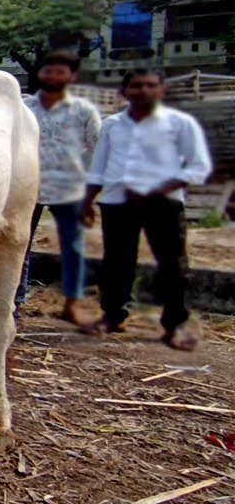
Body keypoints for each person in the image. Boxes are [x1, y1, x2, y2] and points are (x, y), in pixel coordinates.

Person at [80, 68, 212, 351]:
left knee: (172, 266)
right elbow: (99, 166)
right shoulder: (113, 125)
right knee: (116, 263)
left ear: (162, 90)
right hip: (117, 201)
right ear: (125, 92)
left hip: (163, 203)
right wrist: (88, 200)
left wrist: (154, 190)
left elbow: (198, 167)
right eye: (136, 86)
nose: (143, 91)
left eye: (151, 85)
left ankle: (174, 324)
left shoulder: (180, 124)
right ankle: (113, 316)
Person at [14, 50, 101, 324]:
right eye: (49, 71)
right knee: (19, 245)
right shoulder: (26, 109)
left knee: (72, 248)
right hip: (29, 188)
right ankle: (14, 301)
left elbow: (97, 148)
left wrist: (89, 192)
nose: (53, 76)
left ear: (71, 76)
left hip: (69, 189)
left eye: (60, 72)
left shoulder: (84, 111)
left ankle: (71, 303)